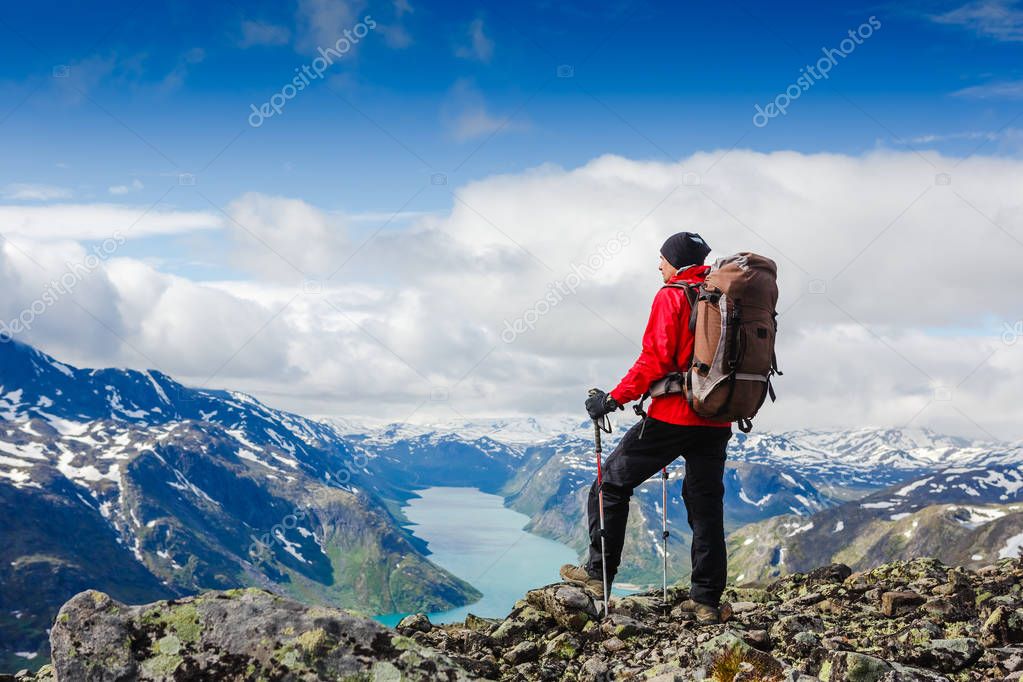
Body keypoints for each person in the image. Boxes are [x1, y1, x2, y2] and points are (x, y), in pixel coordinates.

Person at [559, 231, 733, 625]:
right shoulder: (726, 296)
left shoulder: (673, 295)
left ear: (677, 261)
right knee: (706, 506)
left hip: (673, 416)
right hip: (718, 416)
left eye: (662, 258)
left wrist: (612, 400)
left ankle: (597, 576)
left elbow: (654, 359)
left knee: (610, 484)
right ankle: (705, 601)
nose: (658, 265)